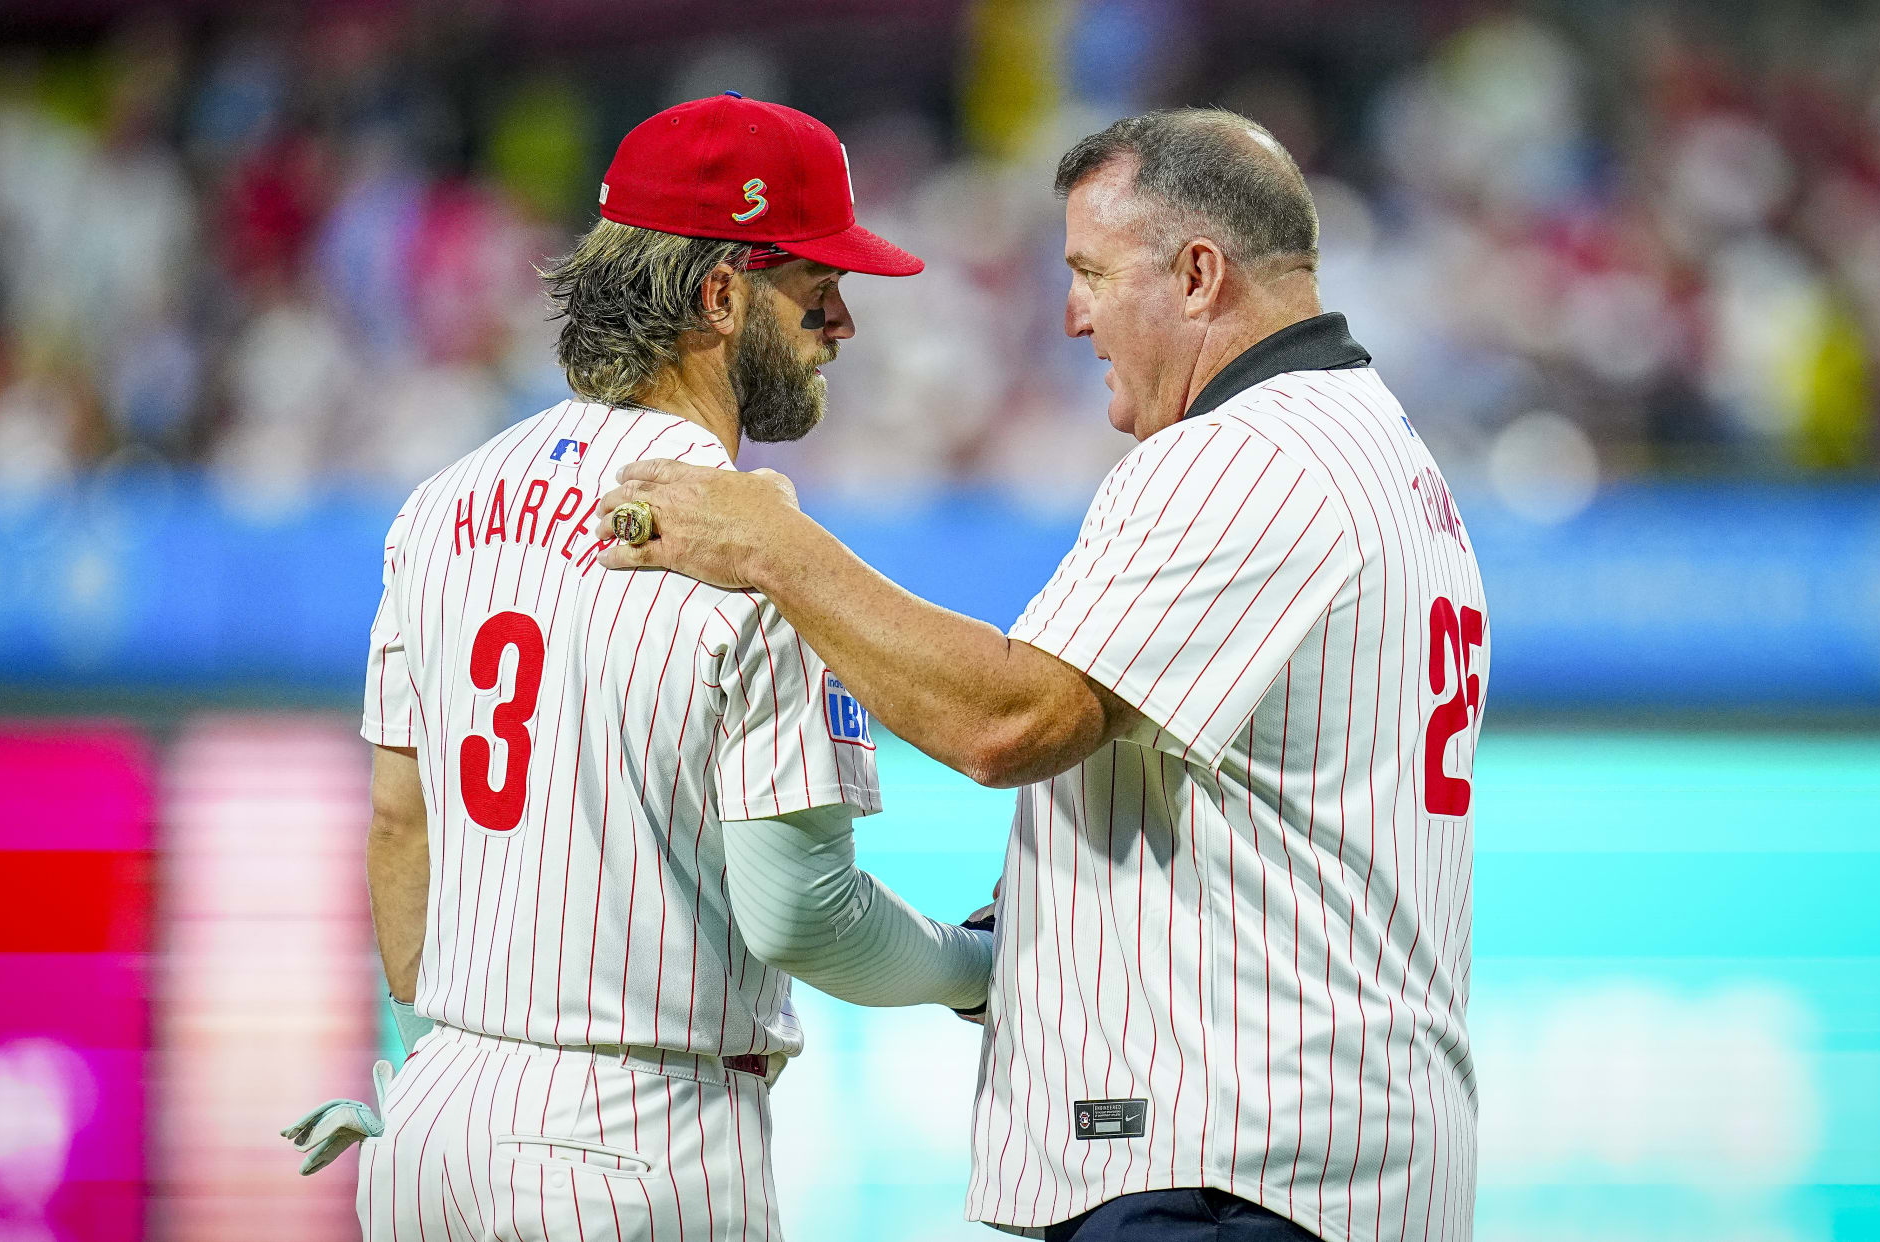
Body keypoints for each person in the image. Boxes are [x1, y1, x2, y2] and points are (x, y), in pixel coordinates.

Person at [596, 108, 1489, 1242]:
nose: (1070, 316)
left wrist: (776, 548)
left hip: (1234, 1170)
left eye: (1090, 273)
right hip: (1314, 1154)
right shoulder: (1376, 446)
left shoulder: (1248, 454)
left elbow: (1011, 718)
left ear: (1199, 275)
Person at [280, 93, 994, 1242]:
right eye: (818, 291)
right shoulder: (756, 542)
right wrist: (978, 969)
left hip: (431, 1117)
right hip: (631, 1129)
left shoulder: (442, 499)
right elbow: (801, 915)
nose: (843, 325)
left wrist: (436, 1060)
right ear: (719, 297)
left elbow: (399, 823)